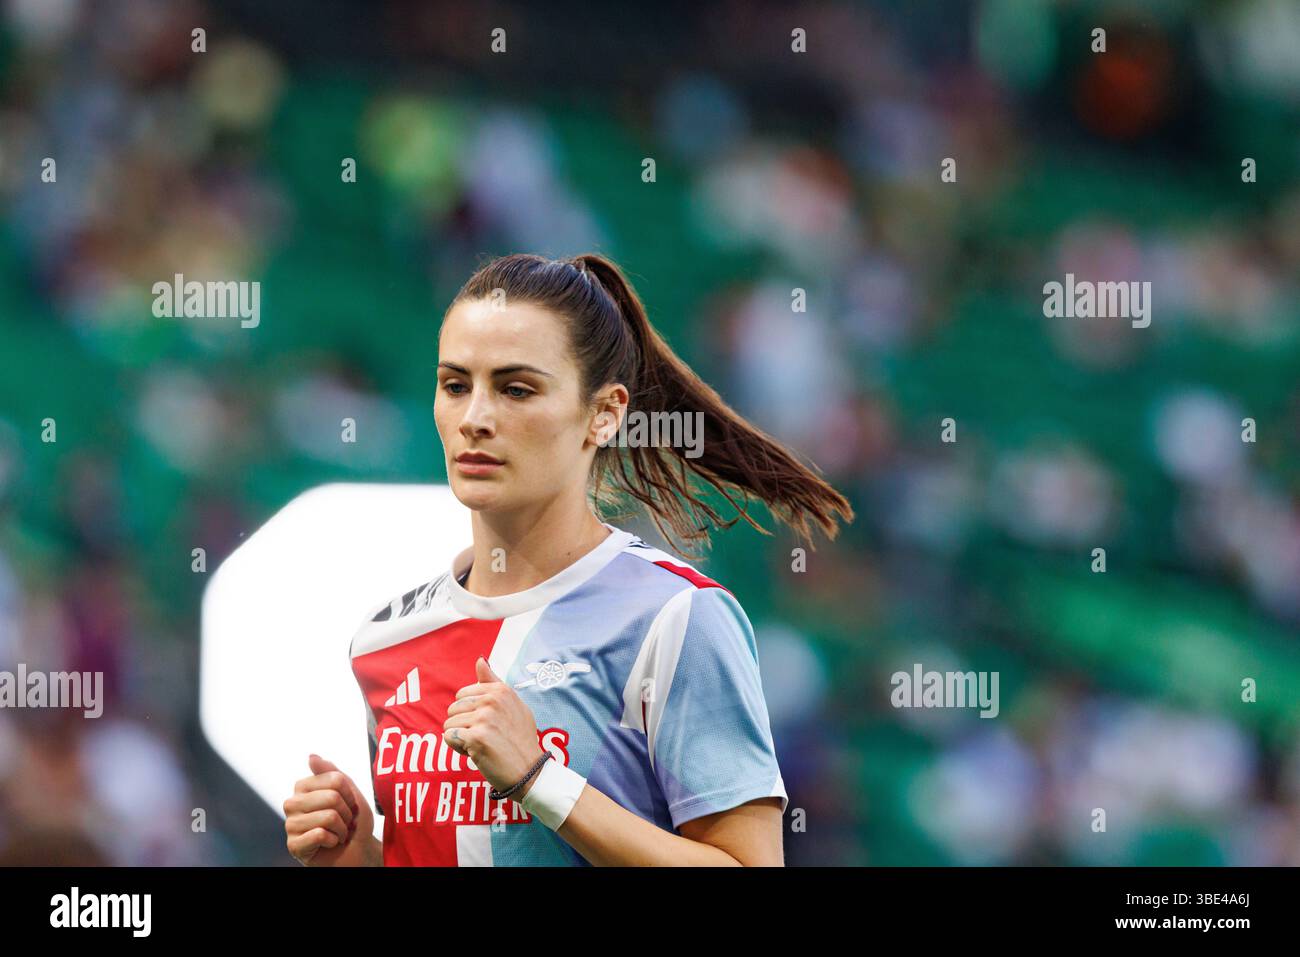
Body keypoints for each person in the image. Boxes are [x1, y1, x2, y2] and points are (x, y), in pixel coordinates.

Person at [284, 253, 853, 866]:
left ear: (604, 414)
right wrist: (360, 857)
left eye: (516, 389)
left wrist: (537, 779)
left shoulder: (675, 618)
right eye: (455, 385)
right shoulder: (385, 640)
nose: (475, 418)